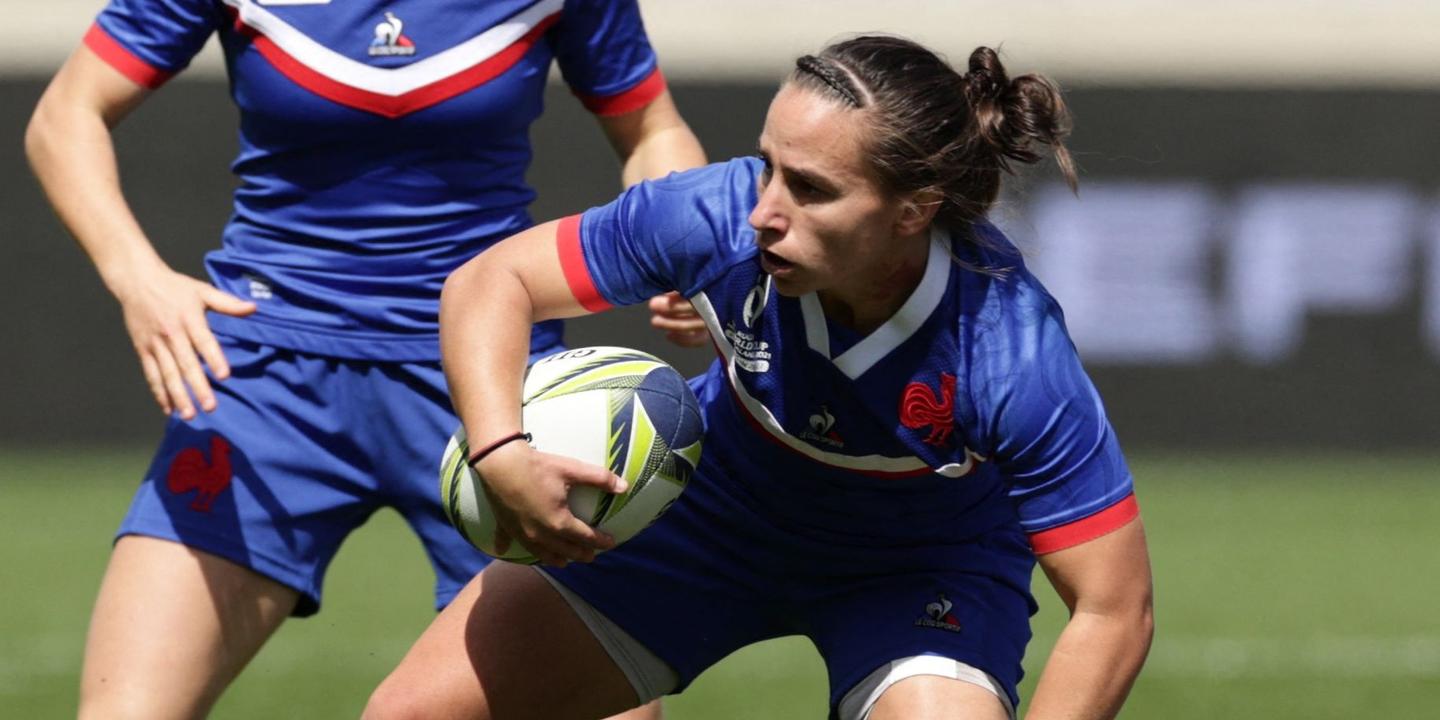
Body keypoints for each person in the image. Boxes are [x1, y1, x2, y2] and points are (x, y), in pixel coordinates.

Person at [366, 35, 1154, 720]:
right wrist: (499, 448)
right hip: (707, 514)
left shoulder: (1010, 348)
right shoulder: (715, 215)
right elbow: (491, 282)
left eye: (810, 188)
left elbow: (1114, 610)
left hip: (921, 567)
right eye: (769, 166)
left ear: (913, 212)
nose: (763, 211)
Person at [24, 1, 705, 718]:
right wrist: (138, 279)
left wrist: (686, 255)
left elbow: (652, 131)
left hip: (492, 384)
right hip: (264, 382)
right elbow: (65, 117)